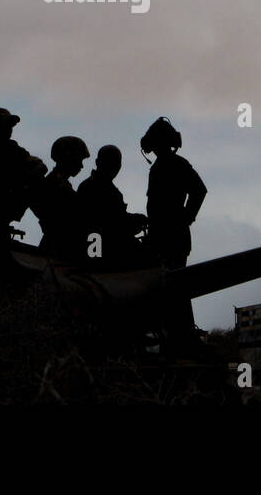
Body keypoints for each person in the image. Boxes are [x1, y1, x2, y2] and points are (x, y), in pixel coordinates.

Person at [141, 117, 207, 352]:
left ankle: (182, 336)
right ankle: (175, 335)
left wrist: (185, 218)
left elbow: (199, 190)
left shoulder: (175, 164)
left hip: (172, 237)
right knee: (170, 285)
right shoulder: (163, 166)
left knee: (175, 285)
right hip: (165, 235)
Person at [76, 145, 146, 267]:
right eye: (111, 162)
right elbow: (108, 222)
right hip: (97, 251)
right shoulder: (92, 187)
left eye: (117, 163)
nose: (115, 167)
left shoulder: (107, 189)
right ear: (98, 162)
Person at [28, 136, 89, 260]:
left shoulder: (59, 183)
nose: (82, 166)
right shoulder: (56, 185)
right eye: (79, 159)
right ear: (69, 157)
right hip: (60, 250)